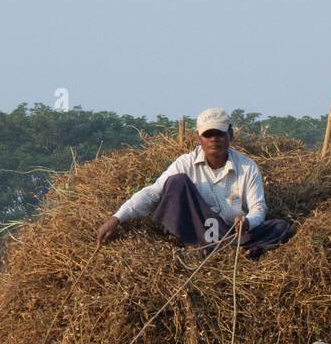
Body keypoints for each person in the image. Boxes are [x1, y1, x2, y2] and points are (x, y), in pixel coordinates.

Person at [94, 108, 291, 258]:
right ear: (199, 139)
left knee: (280, 227)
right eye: (208, 135)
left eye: (220, 134)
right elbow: (153, 192)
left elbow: (258, 208)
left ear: (230, 136)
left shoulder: (247, 168)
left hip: (228, 232)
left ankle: (228, 246)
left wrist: (248, 222)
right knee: (176, 182)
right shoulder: (185, 163)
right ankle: (212, 246)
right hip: (196, 229)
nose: (214, 139)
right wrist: (117, 218)